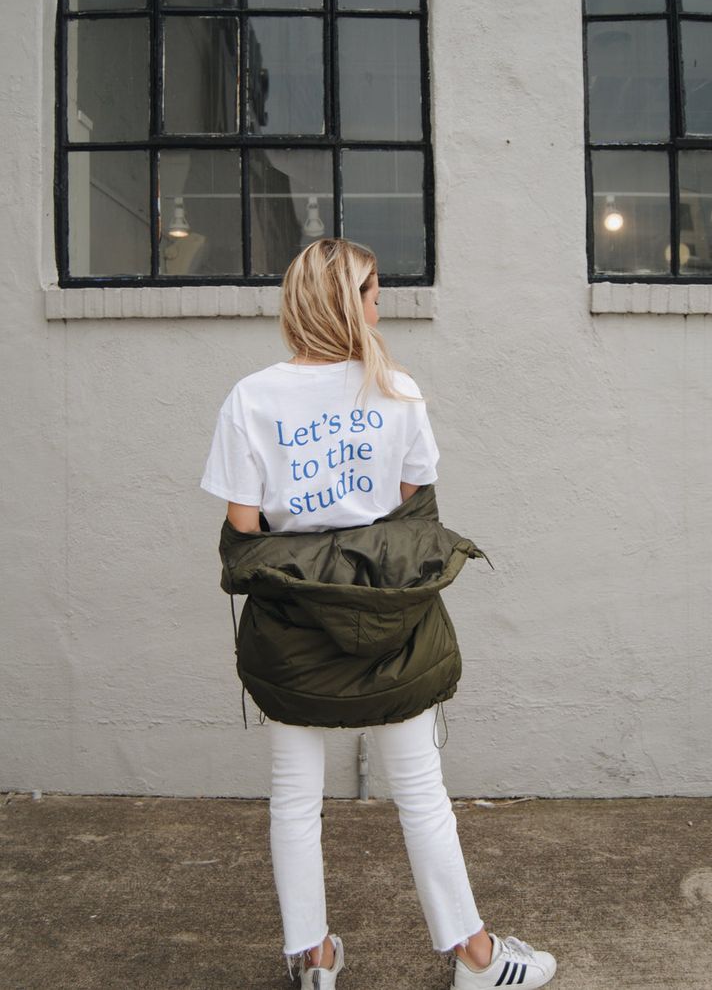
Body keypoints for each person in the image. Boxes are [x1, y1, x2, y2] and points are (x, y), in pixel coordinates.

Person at [200, 238, 557, 990]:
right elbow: (411, 513)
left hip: (293, 632)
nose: (379, 304)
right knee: (421, 791)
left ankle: (314, 961)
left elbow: (242, 526)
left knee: (295, 798)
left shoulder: (251, 398)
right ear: (339, 302)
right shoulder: (396, 388)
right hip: (392, 630)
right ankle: (477, 959)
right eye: (369, 291)